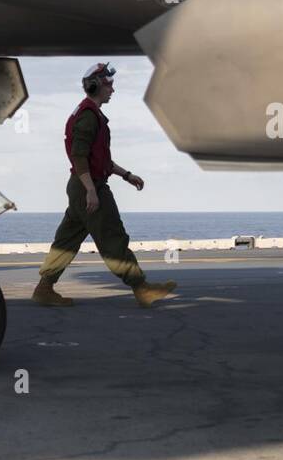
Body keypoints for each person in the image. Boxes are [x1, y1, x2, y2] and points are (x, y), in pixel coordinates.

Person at [32, 63, 176, 308]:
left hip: (82, 185)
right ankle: (142, 288)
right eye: (109, 85)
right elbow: (78, 156)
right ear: (95, 85)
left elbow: (101, 159)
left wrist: (126, 175)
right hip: (89, 186)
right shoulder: (88, 117)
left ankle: (44, 288)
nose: (113, 90)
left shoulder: (91, 114)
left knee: (67, 240)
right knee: (113, 238)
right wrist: (91, 190)